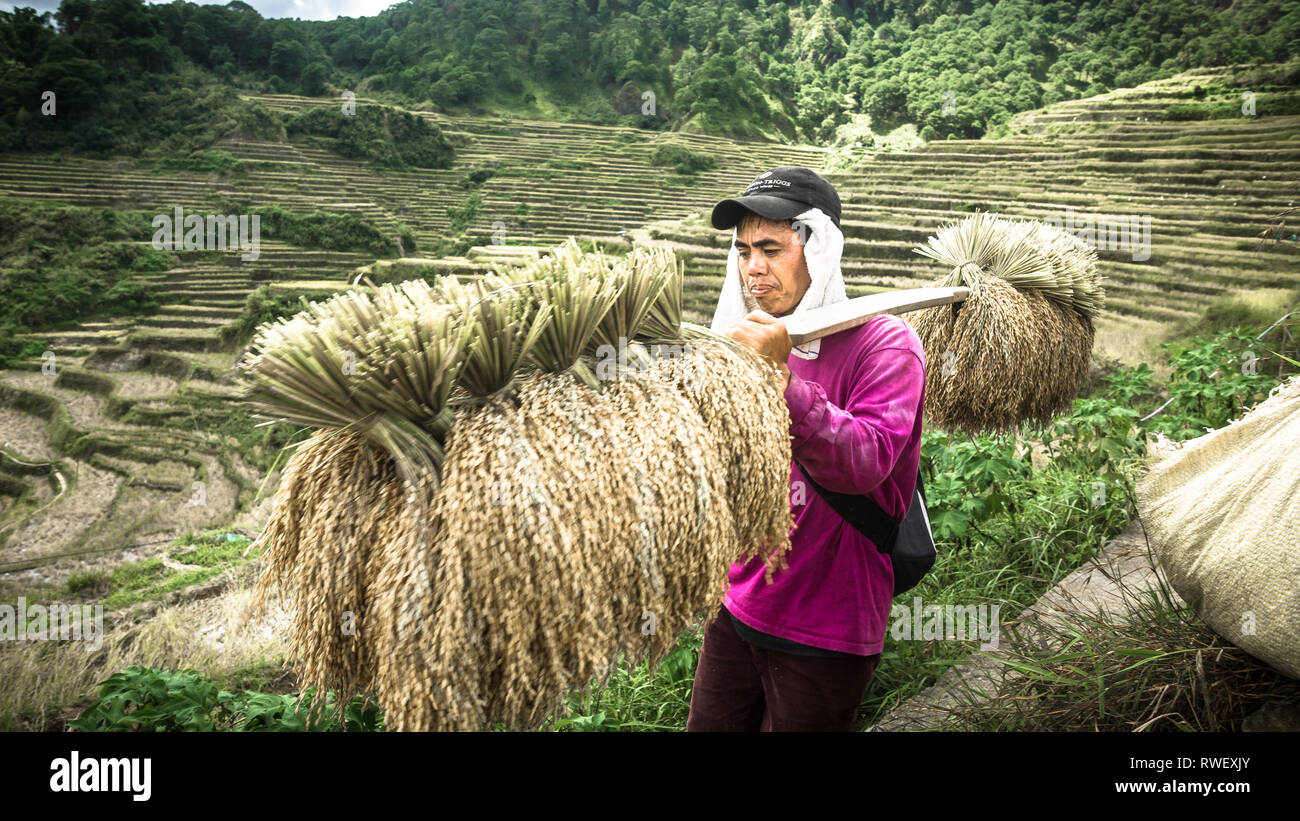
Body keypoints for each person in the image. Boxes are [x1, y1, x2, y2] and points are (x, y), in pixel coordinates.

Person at [685, 166, 927, 732]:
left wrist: (780, 379)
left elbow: (864, 462)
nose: (753, 268)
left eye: (770, 248)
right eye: (743, 250)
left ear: (816, 251)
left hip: (827, 628)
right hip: (739, 604)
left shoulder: (885, 344)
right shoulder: (744, 342)